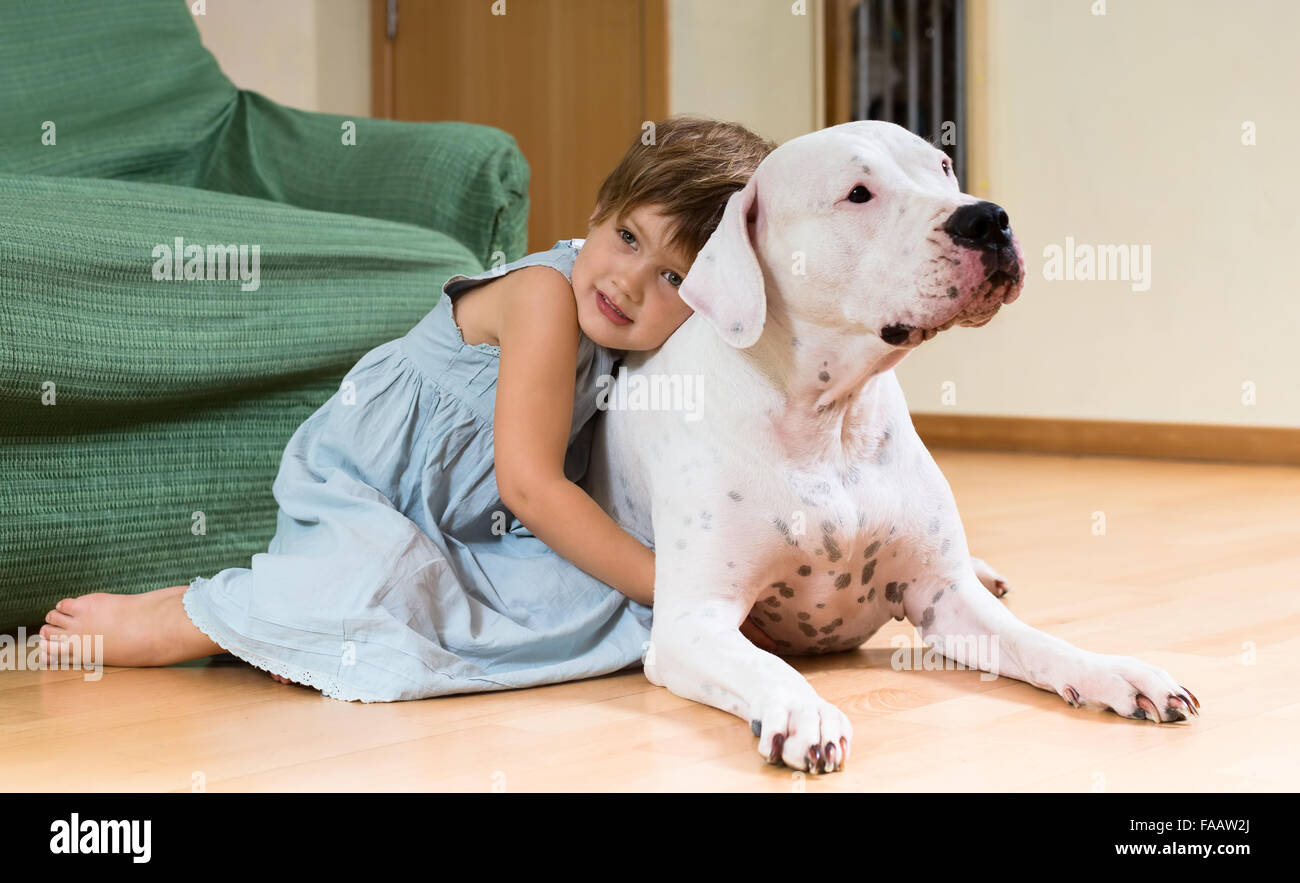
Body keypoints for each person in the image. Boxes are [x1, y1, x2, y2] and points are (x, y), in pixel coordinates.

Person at [38, 116, 780, 701]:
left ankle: (313, 637)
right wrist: (675, 581)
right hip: (369, 492)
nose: (629, 283)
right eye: (626, 238)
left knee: (589, 603)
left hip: (469, 528)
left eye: (672, 278)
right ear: (596, 211)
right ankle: (188, 617)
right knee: (386, 581)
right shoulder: (547, 297)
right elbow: (531, 483)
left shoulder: (638, 344)